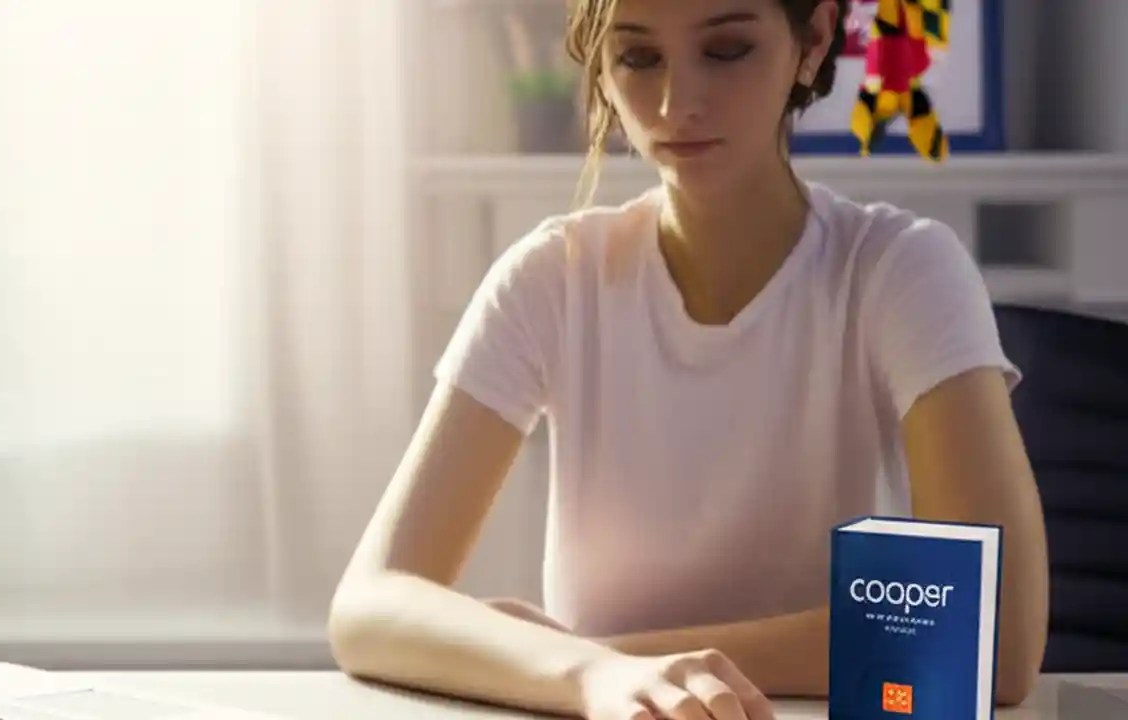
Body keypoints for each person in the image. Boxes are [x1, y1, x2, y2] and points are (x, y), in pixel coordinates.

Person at [328, 1, 1050, 718]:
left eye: (728, 49)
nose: (678, 104)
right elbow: (369, 604)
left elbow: (994, 640)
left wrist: (601, 659)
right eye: (639, 57)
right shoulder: (553, 278)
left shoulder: (900, 269)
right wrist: (588, 675)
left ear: (814, 38)